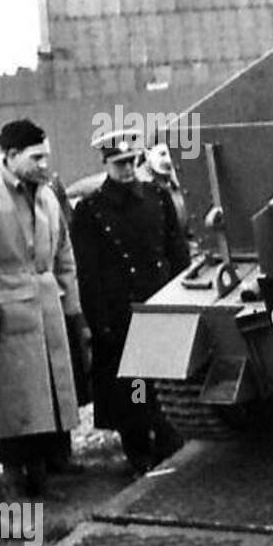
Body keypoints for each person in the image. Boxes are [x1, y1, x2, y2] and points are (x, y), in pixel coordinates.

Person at [0, 119, 86, 496]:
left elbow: (63, 251)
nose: (45, 164)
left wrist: (72, 304)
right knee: (17, 401)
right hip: (9, 310)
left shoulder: (47, 195)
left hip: (48, 306)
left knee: (50, 393)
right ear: (11, 156)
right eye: (36, 157)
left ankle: (46, 468)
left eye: (46, 156)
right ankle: (18, 475)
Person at [71, 128, 190, 473]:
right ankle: (138, 453)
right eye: (119, 163)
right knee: (132, 390)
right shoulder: (91, 210)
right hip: (120, 313)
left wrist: (182, 297)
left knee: (165, 382)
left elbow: (176, 252)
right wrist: (99, 322)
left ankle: (170, 447)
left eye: (131, 162)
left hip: (160, 303)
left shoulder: (156, 198)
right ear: (106, 163)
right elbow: (88, 272)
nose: (126, 170)